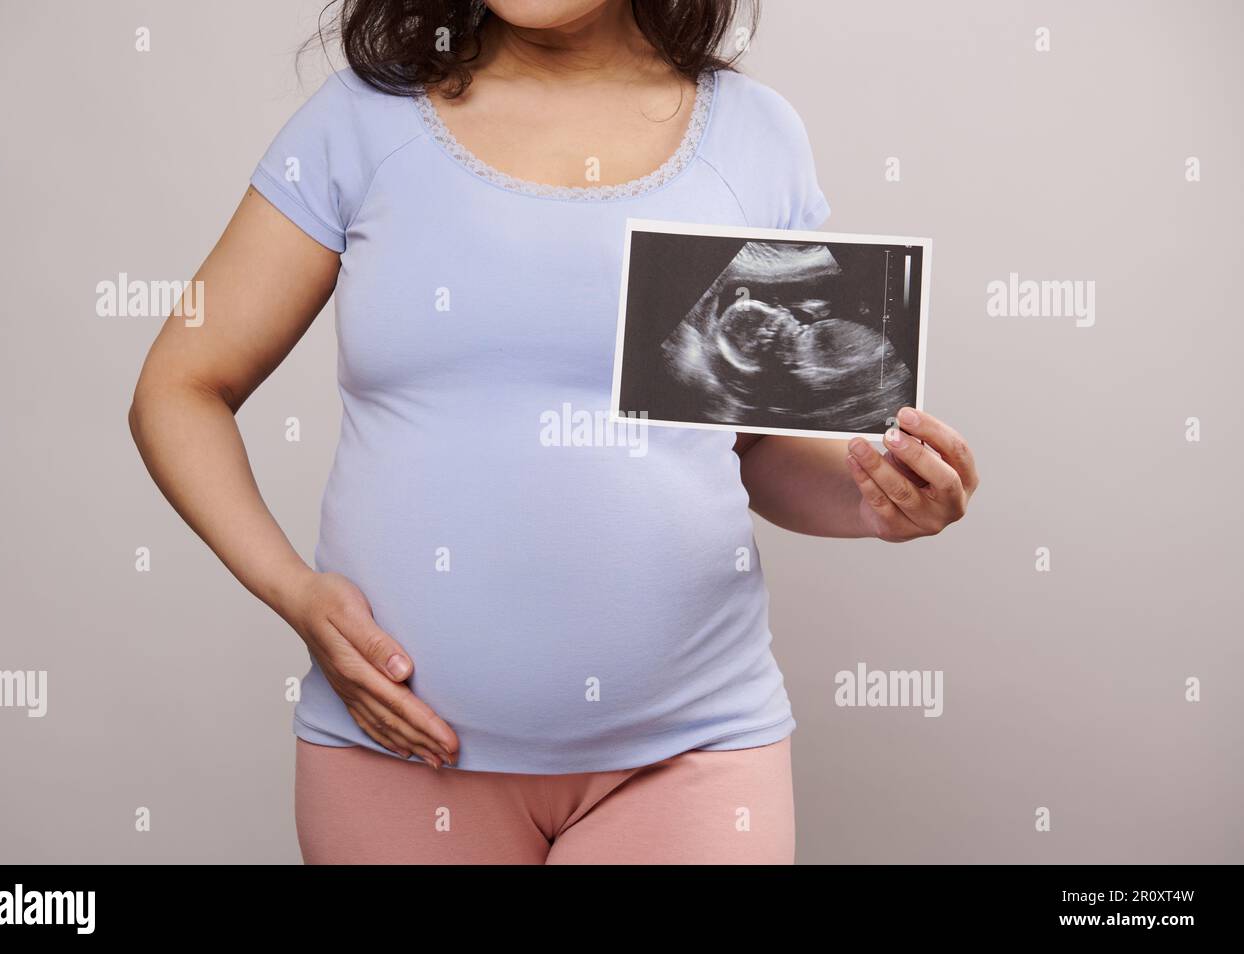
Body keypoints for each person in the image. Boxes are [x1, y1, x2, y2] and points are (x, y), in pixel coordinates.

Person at [128, 0, 978, 864]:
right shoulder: (359, 123)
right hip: (397, 751)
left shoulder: (755, 136)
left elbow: (752, 445)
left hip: (691, 758)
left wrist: (876, 498)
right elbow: (179, 389)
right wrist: (296, 597)